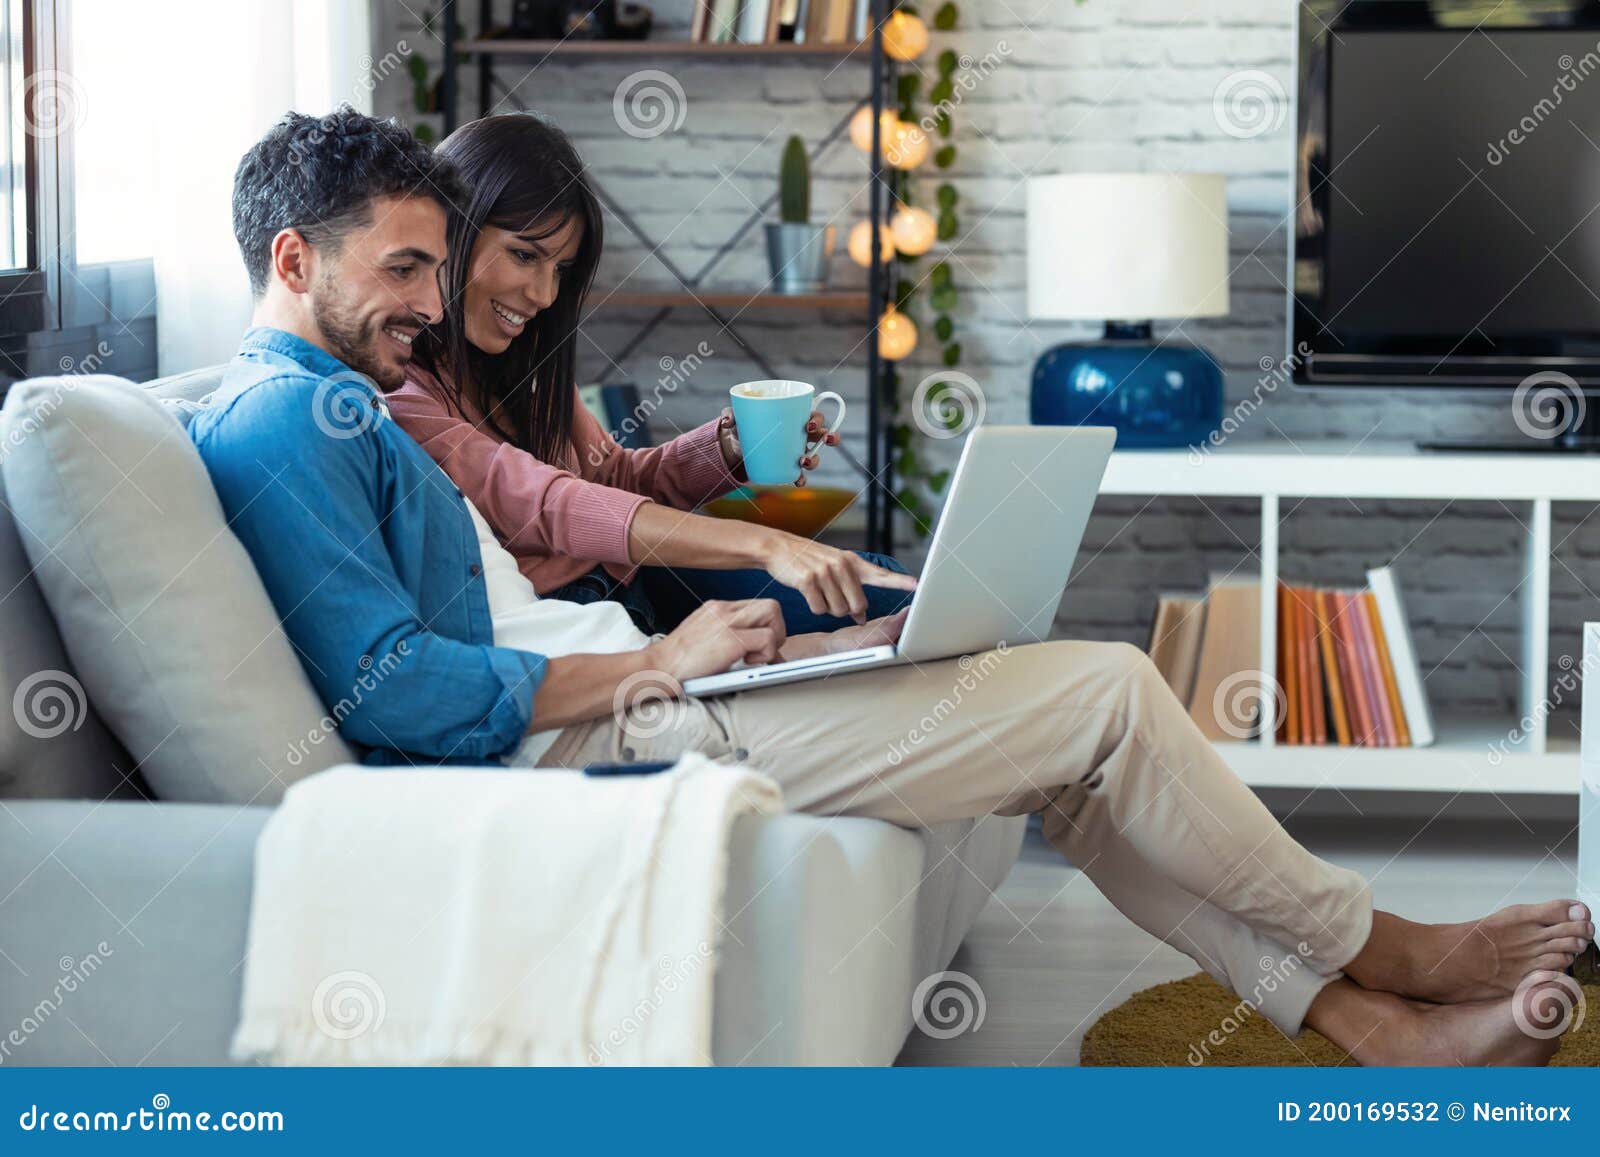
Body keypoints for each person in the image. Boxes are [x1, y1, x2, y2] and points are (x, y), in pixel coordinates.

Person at [193, 108, 1591, 1066]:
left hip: (619, 698)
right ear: (293, 259)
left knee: (1064, 741)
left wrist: (707, 578)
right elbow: (401, 693)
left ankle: (1369, 1025)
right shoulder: (289, 421)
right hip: (588, 738)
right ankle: (1388, 951)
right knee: (1104, 687)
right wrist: (662, 664)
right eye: (408, 270)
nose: (435, 307)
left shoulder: (351, 399)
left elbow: (549, 532)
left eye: (441, 268)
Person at [384, 113, 914, 636]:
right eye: (525, 255)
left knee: (881, 586)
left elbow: (614, 480)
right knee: (865, 608)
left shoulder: (524, 367)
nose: (544, 296)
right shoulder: (403, 392)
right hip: (577, 614)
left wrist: (731, 448)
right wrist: (768, 543)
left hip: (632, 580)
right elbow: (550, 504)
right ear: (451, 231)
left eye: (560, 270)